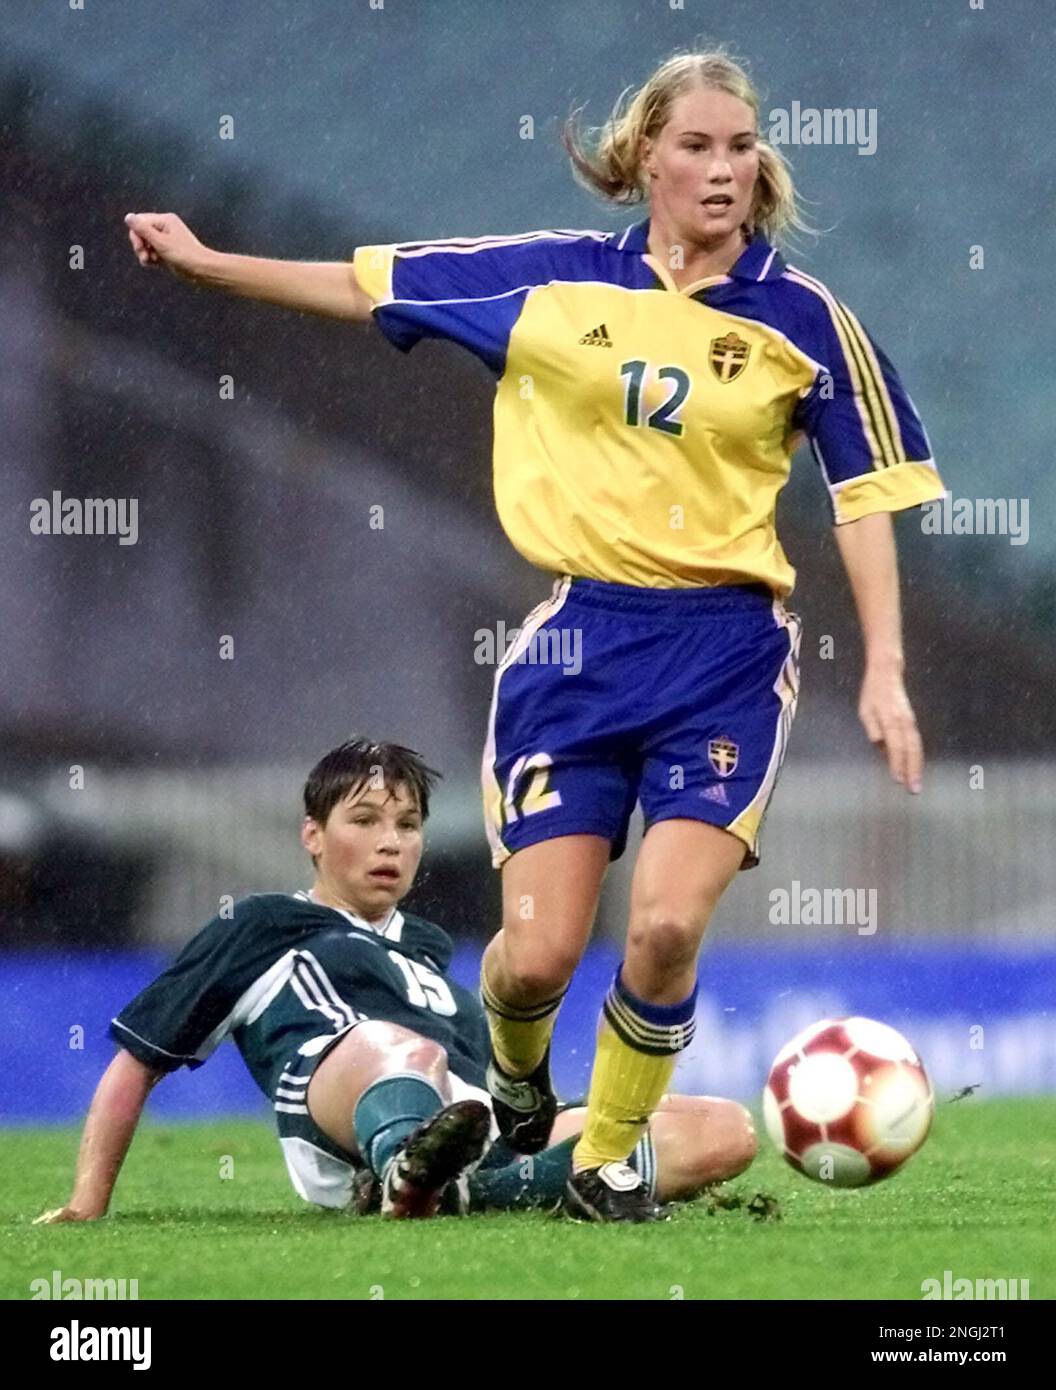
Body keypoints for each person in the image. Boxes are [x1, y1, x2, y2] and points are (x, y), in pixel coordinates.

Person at [121, 47, 945, 1222]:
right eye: (698, 145)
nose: (724, 168)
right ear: (645, 158)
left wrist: (889, 670)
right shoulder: (547, 282)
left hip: (726, 654)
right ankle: (515, 1079)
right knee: (535, 960)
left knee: (663, 925)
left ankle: (608, 1163)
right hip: (577, 651)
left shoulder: (807, 319)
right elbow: (369, 286)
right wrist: (210, 266)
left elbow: (867, 495)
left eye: (743, 146)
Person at [35, 739, 756, 1225]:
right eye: (366, 819)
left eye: (408, 824)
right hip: (344, 1109)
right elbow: (138, 1061)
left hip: (475, 1126)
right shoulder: (260, 924)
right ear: (311, 834)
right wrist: (86, 1204)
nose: (391, 841)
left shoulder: (428, 944)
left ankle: (467, 1184)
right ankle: (401, 1171)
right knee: (403, 1049)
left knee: (721, 1131)